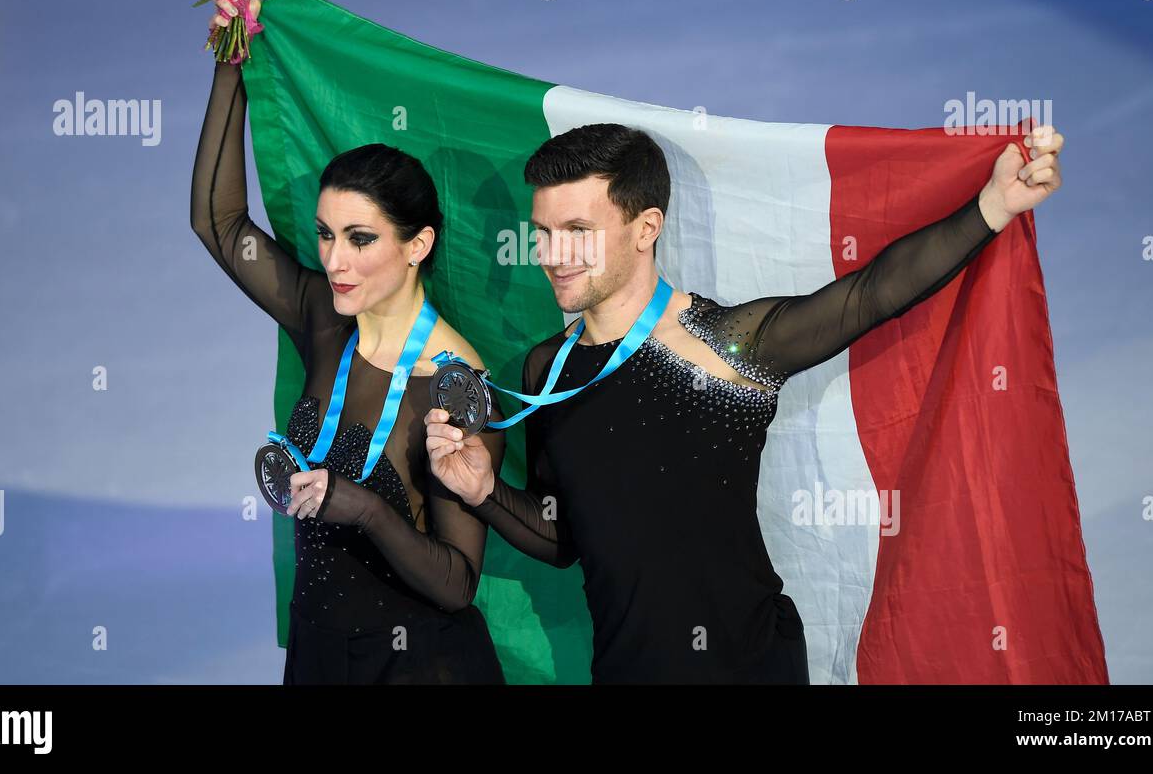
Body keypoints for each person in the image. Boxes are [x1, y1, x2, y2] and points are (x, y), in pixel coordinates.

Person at [425, 121, 1064, 684]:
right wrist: (483, 491)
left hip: (752, 667)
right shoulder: (548, 367)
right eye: (542, 232)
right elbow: (566, 536)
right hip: (625, 673)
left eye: (577, 231)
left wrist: (995, 204)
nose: (551, 255)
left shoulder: (729, 343)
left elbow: (872, 294)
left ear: (646, 227)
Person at [191, 0, 507, 684]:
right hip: (319, 660)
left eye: (361, 239)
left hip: (421, 669)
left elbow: (457, 583)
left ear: (418, 244)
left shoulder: (457, 385)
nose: (334, 261)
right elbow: (219, 225)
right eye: (327, 235)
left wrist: (362, 507)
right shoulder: (325, 317)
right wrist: (228, 58)